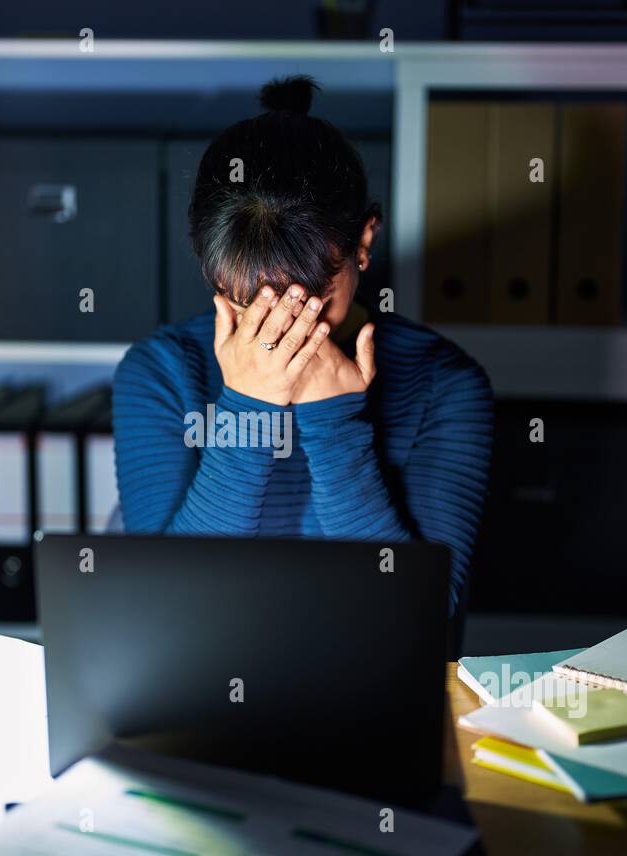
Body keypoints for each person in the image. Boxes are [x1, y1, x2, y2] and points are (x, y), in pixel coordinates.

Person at [112, 75, 493, 612]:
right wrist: (247, 408)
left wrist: (335, 420)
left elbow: (422, 613)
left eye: (308, 295)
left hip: (372, 682)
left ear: (364, 240)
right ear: (208, 263)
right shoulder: (160, 373)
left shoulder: (444, 383)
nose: (282, 324)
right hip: (204, 678)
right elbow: (159, 603)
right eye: (249, 298)